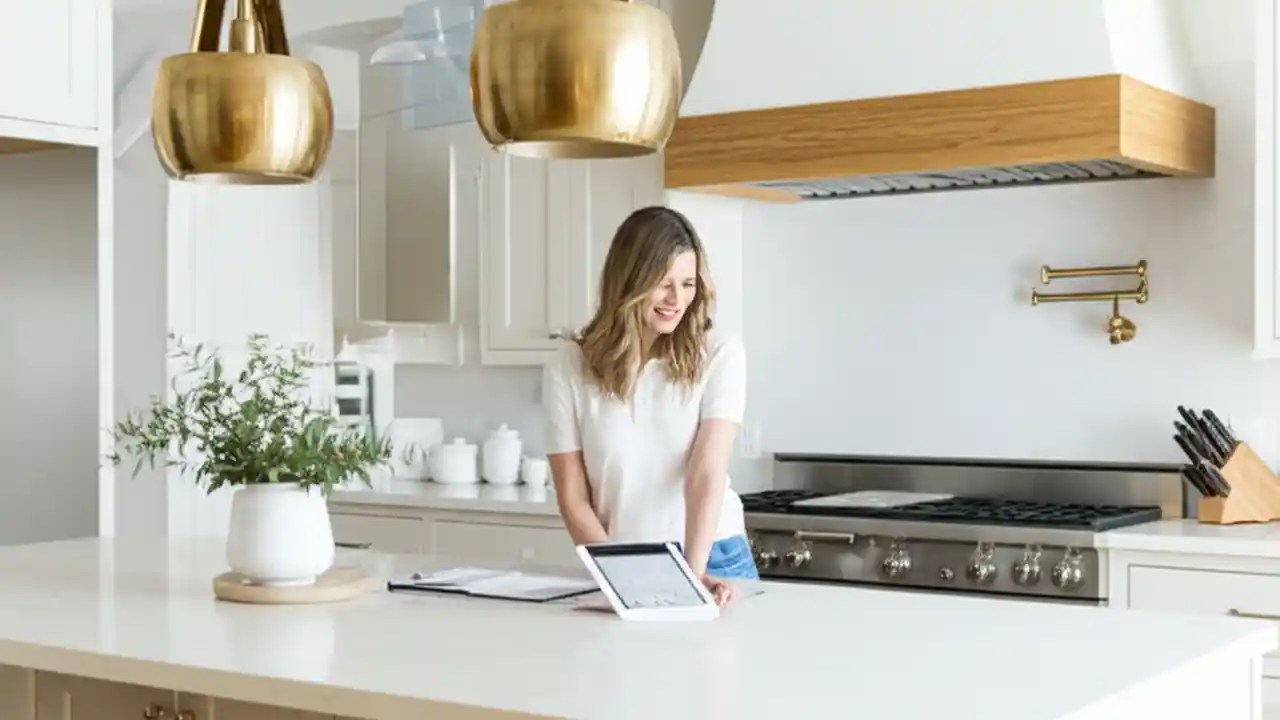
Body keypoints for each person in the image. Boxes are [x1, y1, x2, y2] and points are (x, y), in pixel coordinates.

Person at [542, 206, 757, 608]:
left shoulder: (720, 354)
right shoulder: (569, 366)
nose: (677, 300)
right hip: (623, 557)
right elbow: (573, 497)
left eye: (688, 283)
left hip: (713, 555)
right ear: (630, 281)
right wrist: (625, 575)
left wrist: (690, 580)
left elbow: (705, 475)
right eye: (663, 283)